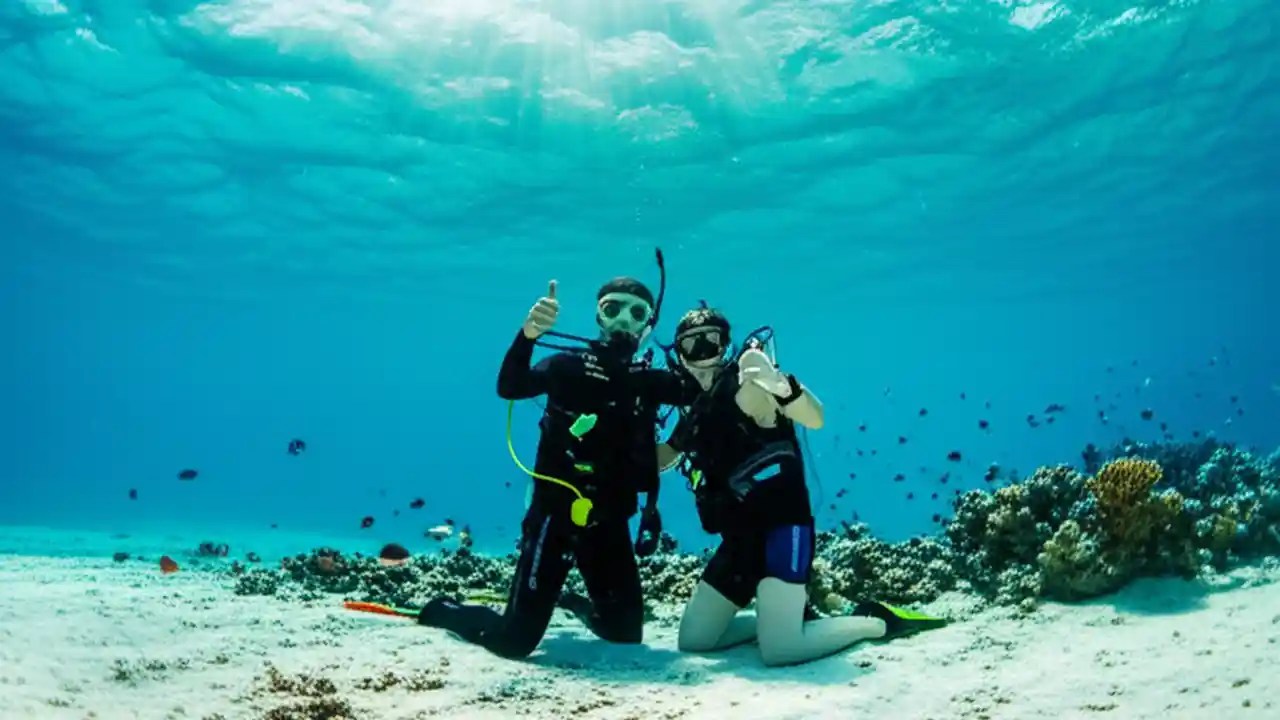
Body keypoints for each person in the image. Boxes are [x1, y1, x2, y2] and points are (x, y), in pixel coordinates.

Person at [415, 275, 695, 659]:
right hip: (555, 514)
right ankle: (445, 609)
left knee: (625, 632)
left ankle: (570, 600)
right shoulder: (567, 365)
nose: (623, 321)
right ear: (599, 317)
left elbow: (703, 396)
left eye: (636, 312)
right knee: (513, 642)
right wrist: (528, 334)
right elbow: (510, 386)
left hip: (611, 520)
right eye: (612, 309)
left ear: (649, 323)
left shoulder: (649, 381)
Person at [657, 306, 945, 667]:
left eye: (710, 341)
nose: (701, 352)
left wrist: (780, 385)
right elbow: (663, 457)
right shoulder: (697, 413)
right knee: (694, 641)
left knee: (781, 651)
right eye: (690, 344)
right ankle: (776, 622)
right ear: (679, 355)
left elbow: (814, 417)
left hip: (782, 530)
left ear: (725, 345)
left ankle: (876, 620)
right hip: (739, 542)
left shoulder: (748, 386)